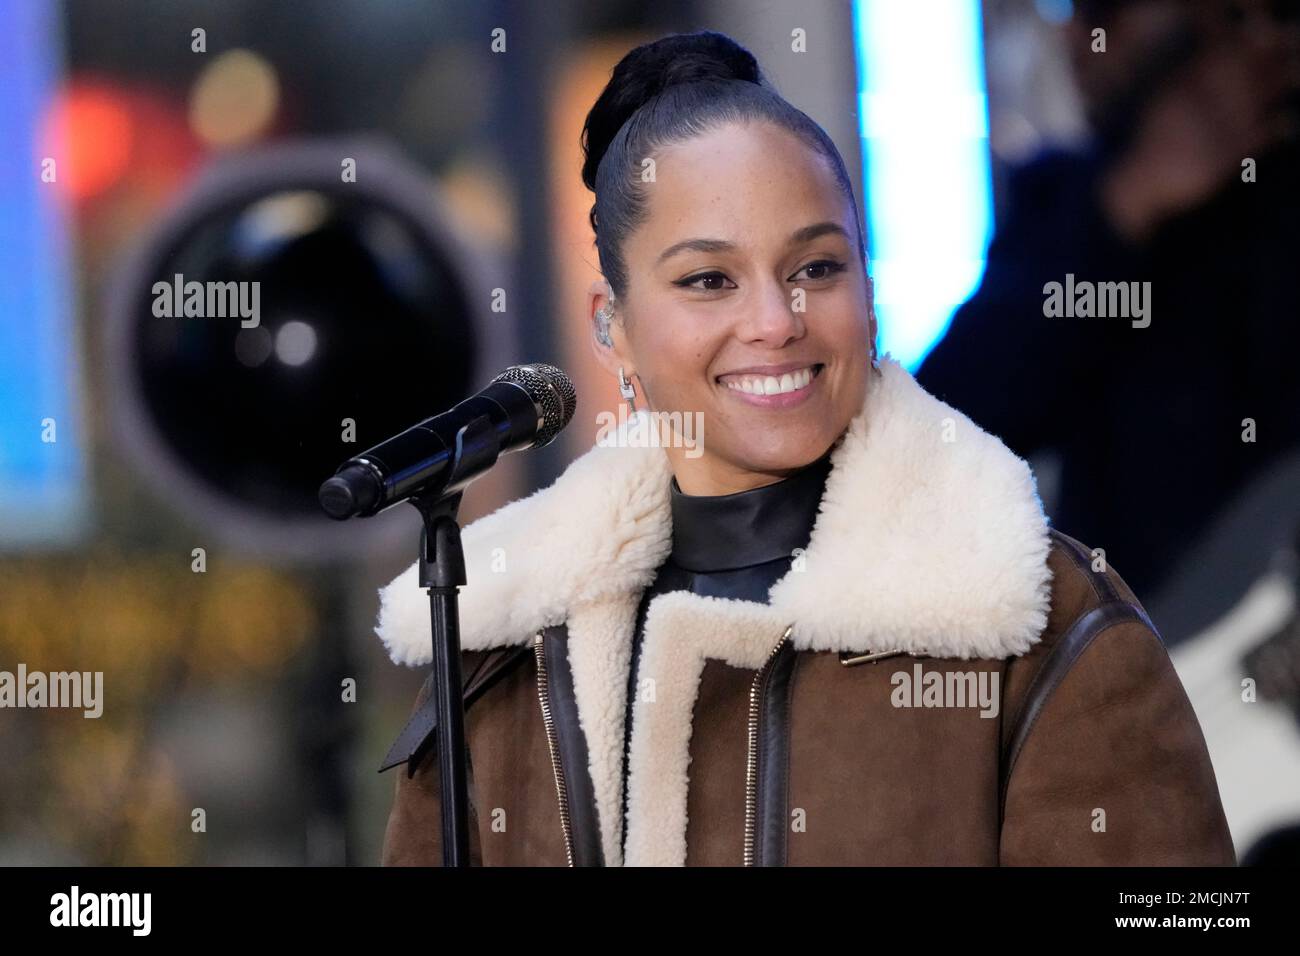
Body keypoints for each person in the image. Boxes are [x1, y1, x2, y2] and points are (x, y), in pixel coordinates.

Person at [374, 31, 1234, 866]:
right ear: (613, 329)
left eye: (817, 268)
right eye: (709, 280)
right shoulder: (499, 648)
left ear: (868, 283)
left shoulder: (1038, 619)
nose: (777, 322)